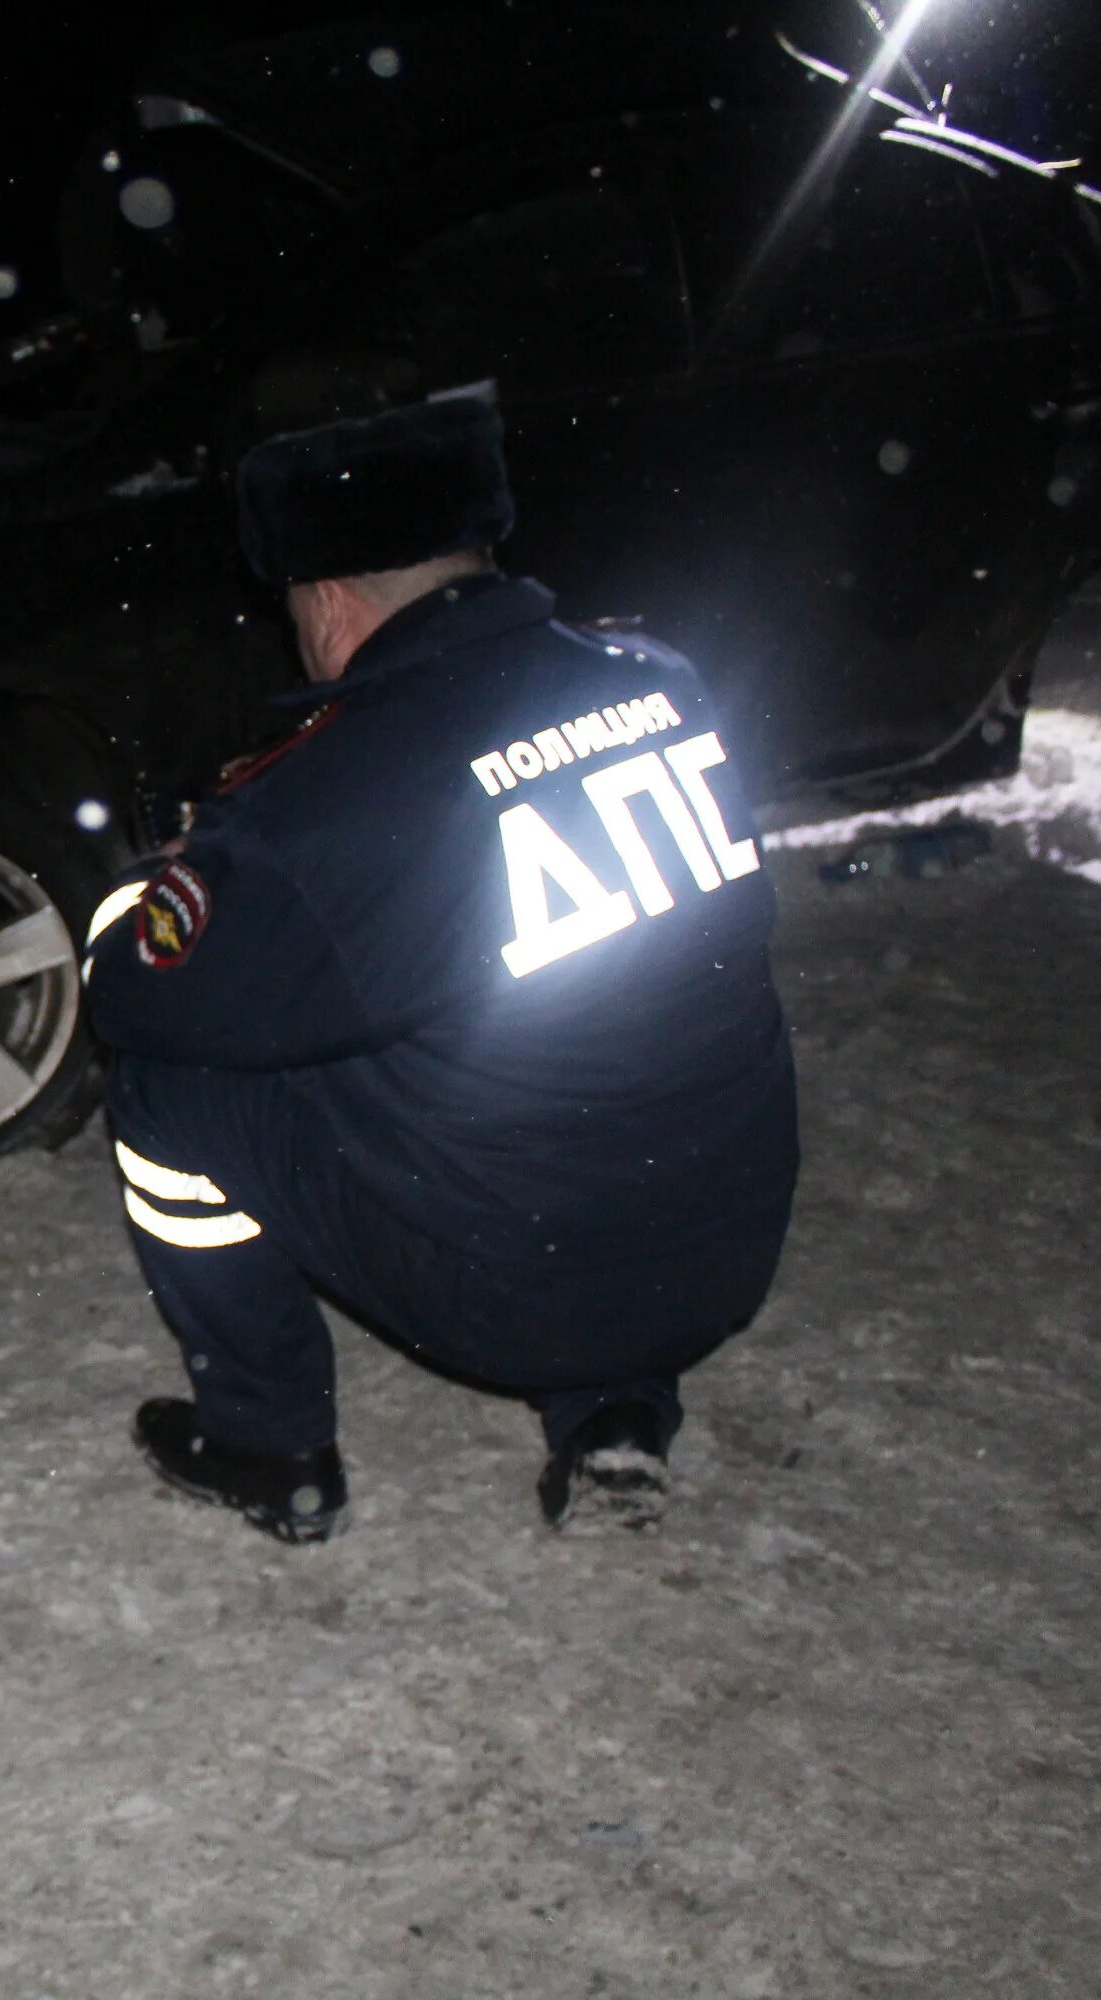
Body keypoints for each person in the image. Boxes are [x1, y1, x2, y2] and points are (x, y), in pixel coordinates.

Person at [85, 394, 798, 1539]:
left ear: (328, 602)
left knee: (169, 1084)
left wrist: (152, 887)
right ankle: (615, 1403)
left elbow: (140, 994)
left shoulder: (336, 796)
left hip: (526, 1294)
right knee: (605, 1019)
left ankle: (269, 1442)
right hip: (726, 1244)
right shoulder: (657, 676)